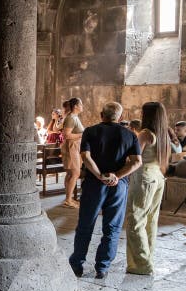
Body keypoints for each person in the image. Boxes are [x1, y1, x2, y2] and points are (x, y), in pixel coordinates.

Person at [70, 102, 142, 279]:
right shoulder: (130, 135)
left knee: (85, 224)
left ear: (101, 114)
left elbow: (85, 157)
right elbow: (137, 161)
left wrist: (99, 175)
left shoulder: (90, 131)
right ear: (120, 117)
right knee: (113, 227)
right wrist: (116, 176)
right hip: (118, 186)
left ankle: (77, 265)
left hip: (95, 184)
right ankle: (102, 267)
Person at [125, 101, 169, 275]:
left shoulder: (145, 133)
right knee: (151, 220)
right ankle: (147, 258)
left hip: (144, 178)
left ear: (147, 115)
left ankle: (142, 264)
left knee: (135, 219)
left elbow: (134, 158)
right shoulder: (164, 133)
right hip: (158, 177)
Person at [60, 97, 84, 208]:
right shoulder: (71, 118)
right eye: (81, 104)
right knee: (75, 173)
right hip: (71, 147)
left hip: (75, 147)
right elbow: (66, 135)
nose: (82, 106)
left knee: (71, 173)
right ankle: (68, 200)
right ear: (75, 106)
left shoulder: (74, 117)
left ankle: (68, 198)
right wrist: (83, 135)